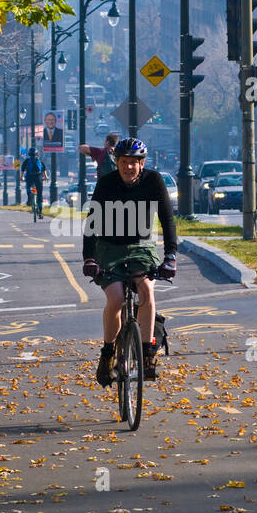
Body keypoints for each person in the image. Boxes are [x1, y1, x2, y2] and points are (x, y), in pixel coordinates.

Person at [82, 137, 177, 384]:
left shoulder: (154, 181)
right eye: (124, 162)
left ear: (142, 164)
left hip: (141, 246)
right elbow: (92, 222)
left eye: (134, 162)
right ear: (117, 162)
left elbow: (167, 220)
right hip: (109, 248)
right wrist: (89, 257)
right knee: (114, 298)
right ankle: (108, 353)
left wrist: (170, 257)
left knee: (145, 289)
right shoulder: (106, 183)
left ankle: (147, 355)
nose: (128, 167)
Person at [21, 147, 48, 217]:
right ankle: (40, 212)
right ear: (37, 153)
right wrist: (45, 177)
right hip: (38, 178)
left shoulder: (27, 160)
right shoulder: (40, 160)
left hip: (30, 177)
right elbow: (44, 169)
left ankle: (29, 199)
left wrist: (21, 177)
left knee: (28, 188)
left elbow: (23, 169)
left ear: (29, 154)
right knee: (39, 195)